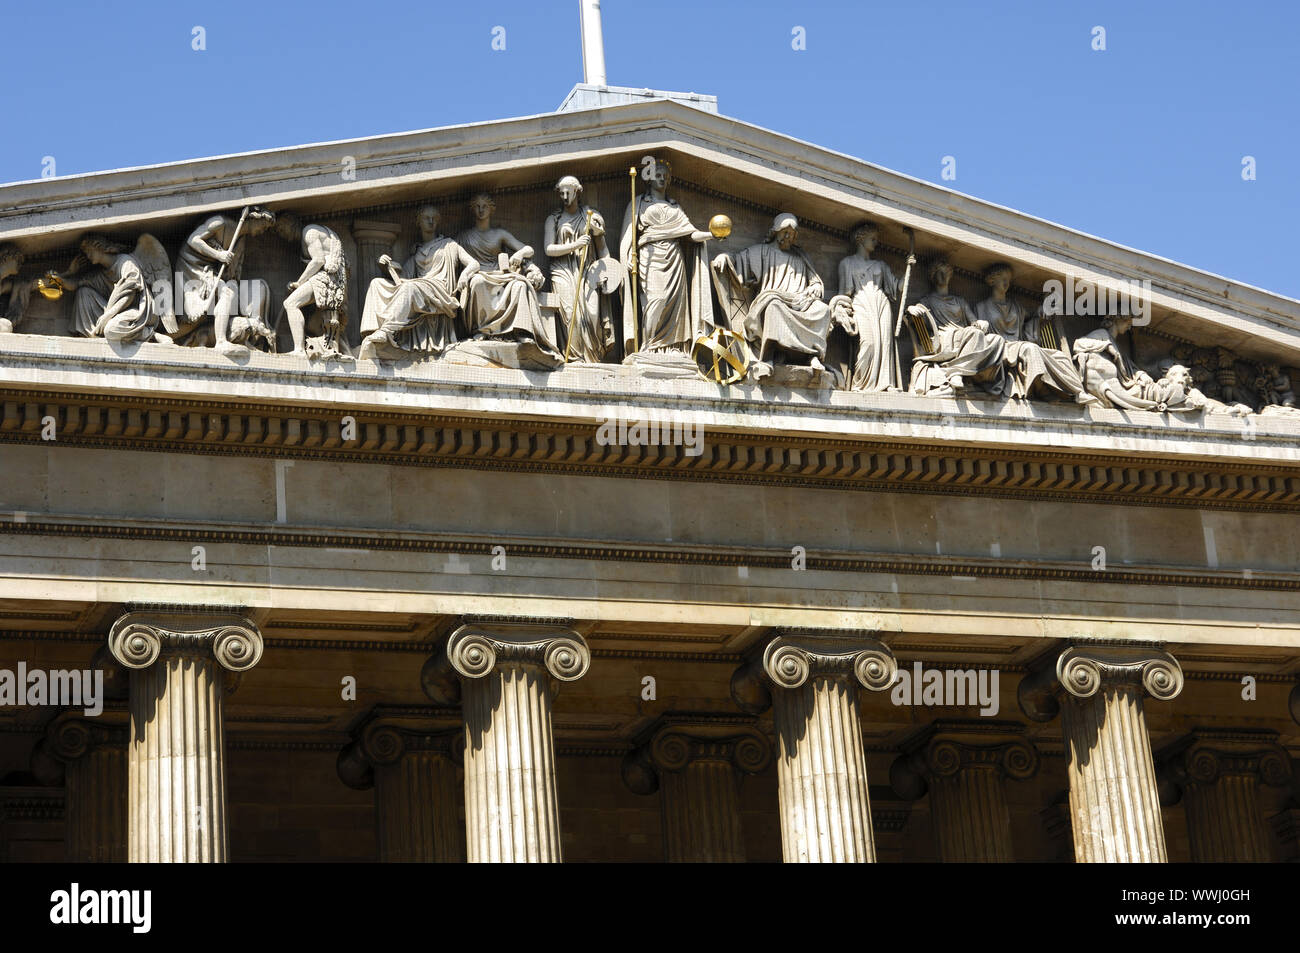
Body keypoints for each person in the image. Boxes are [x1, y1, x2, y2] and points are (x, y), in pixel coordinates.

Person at [618, 157, 716, 355]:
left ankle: (672, 347)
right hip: (649, 255)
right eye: (658, 176)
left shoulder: (675, 207)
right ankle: (650, 345)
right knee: (656, 300)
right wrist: (627, 254)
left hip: (674, 257)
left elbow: (691, 234)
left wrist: (712, 234)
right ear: (649, 179)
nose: (662, 179)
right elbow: (627, 235)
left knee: (674, 304)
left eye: (665, 176)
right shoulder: (638, 204)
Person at [712, 212, 831, 369]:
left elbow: (814, 279)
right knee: (774, 307)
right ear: (775, 232)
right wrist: (725, 257)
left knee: (823, 309)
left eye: (791, 234)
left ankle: (812, 356)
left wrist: (815, 286)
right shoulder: (763, 251)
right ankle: (768, 356)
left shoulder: (800, 257)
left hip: (800, 301)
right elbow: (740, 260)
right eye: (784, 232)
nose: (788, 236)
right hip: (774, 298)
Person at [360, 205, 478, 359]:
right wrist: (386, 265)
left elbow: (474, 264)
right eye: (426, 218)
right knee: (377, 283)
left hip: (439, 289)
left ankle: (387, 331)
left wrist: (464, 275)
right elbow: (402, 280)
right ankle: (372, 334)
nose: (431, 221)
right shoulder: (417, 252)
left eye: (434, 218)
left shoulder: (449, 244)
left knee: (411, 288)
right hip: (420, 287)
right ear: (418, 222)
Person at [457, 193, 559, 359]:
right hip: (478, 274)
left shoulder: (500, 234)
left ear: (492, 209)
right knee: (477, 282)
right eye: (477, 206)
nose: (481, 210)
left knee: (519, 285)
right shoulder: (464, 236)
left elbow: (529, 250)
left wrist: (519, 254)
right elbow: (450, 251)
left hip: (500, 275)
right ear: (472, 210)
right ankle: (483, 330)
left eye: (485, 206)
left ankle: (521, 332)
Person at [977, 263, 1092, 402]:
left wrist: (1043, 309)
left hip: (1019, 345)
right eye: (1003, 278)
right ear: (992, 280)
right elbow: (980, 333)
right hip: (1002, 348)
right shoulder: (981, 306)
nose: (1006, 282)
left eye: (1008, 279)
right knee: (1031, 349)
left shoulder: (1015, 306)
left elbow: (1032, 316)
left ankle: (1078, 392)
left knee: (1059, 356)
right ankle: (1041, 389)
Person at [174, 207, 279, 354]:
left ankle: (247, 339)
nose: (263, 231)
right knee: (227, 293)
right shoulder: (220, 223)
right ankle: (221, 341)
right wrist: (219, 255)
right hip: (192, 268)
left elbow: (232, 274)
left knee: (241, 290)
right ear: (254, 219)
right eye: (263, 226)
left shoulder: (241, 240)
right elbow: (193, 240)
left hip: (212, 271)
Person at [905, 256, 1005, 396]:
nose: (943, 276)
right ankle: (956, 374)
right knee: (974, 334)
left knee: (997, 340)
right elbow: (915, 313)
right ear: (933, 276)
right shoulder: (927, 300)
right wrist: (911, 310)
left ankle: (961, 372)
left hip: (965, 337)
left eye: (946, 273)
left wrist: (982, 323)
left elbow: (974, 322)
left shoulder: (960, 301)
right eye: (939, 272)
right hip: (943, 339)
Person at [545, 175, 617, 363]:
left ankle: (592, 358)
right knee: (571, 316)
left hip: (588, 272)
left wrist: (609, 271)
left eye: (569, 192)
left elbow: (602, 249)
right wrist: (575, 245)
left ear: (578, 192)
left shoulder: (591, 217)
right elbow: (548, 249)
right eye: (561, 193)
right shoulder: (553, 219)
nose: (565, 196)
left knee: (592, 315)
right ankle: (575, 359)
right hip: (562, 272)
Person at [833, 222, 902, 392]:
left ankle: (885, 384)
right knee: (868, 343)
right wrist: (840, 310)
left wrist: (909, 270)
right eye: (873, 238)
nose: (876, 242)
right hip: (861, 303)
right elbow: (843, 293)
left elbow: (897, 288)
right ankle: (861, 384)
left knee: (885, 344)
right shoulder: (847, 263)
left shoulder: (881, 265)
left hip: (881, 303)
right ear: (861, 239)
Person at [62, 235, 160, 343]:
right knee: (83, 292)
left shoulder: (125, 262)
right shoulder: (101, 274)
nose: (88, 256)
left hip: (138, 312)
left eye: (90, 251)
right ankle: (92, 335)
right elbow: (75, 285)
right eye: (86, 253)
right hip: (118, 313)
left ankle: (151, 334)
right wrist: (66, 274)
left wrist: (107, 316)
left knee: (111, 330)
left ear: (100, 247)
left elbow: (130, 293)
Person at [282, 219, 349, 359]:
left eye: (282, 230)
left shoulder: (309, 232)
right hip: (335, 278)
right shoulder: (320, 231)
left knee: (290, 303)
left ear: (291, 225)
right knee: (313, 325)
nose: (283, 235)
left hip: (326, 277)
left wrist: (299, 283)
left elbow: (318, 260)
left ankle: (299, 350)